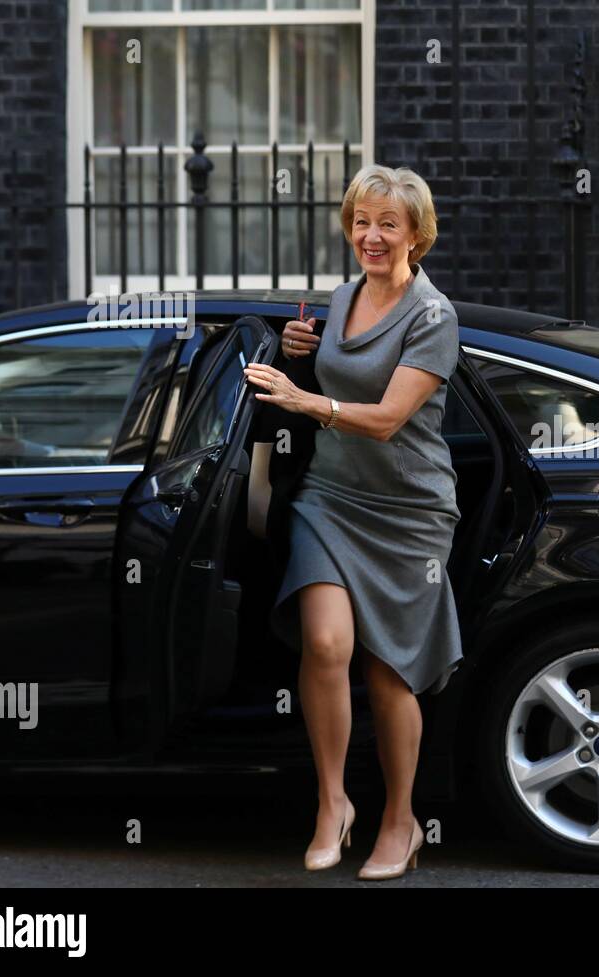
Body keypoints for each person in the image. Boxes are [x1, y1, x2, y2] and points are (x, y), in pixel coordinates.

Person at [243, 163, 462, 881]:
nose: (370, 236)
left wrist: (302, 401)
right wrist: (305, 354)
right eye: (362, 222)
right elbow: (335, 370)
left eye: (387, 225)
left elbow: (388, 418)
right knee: (326, 643)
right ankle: (332, 802)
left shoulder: (434, 316)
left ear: (416, 236)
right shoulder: (342, 296)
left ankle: (401, 819)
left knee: (391, 669)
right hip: (331, 497)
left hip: (409, 512)